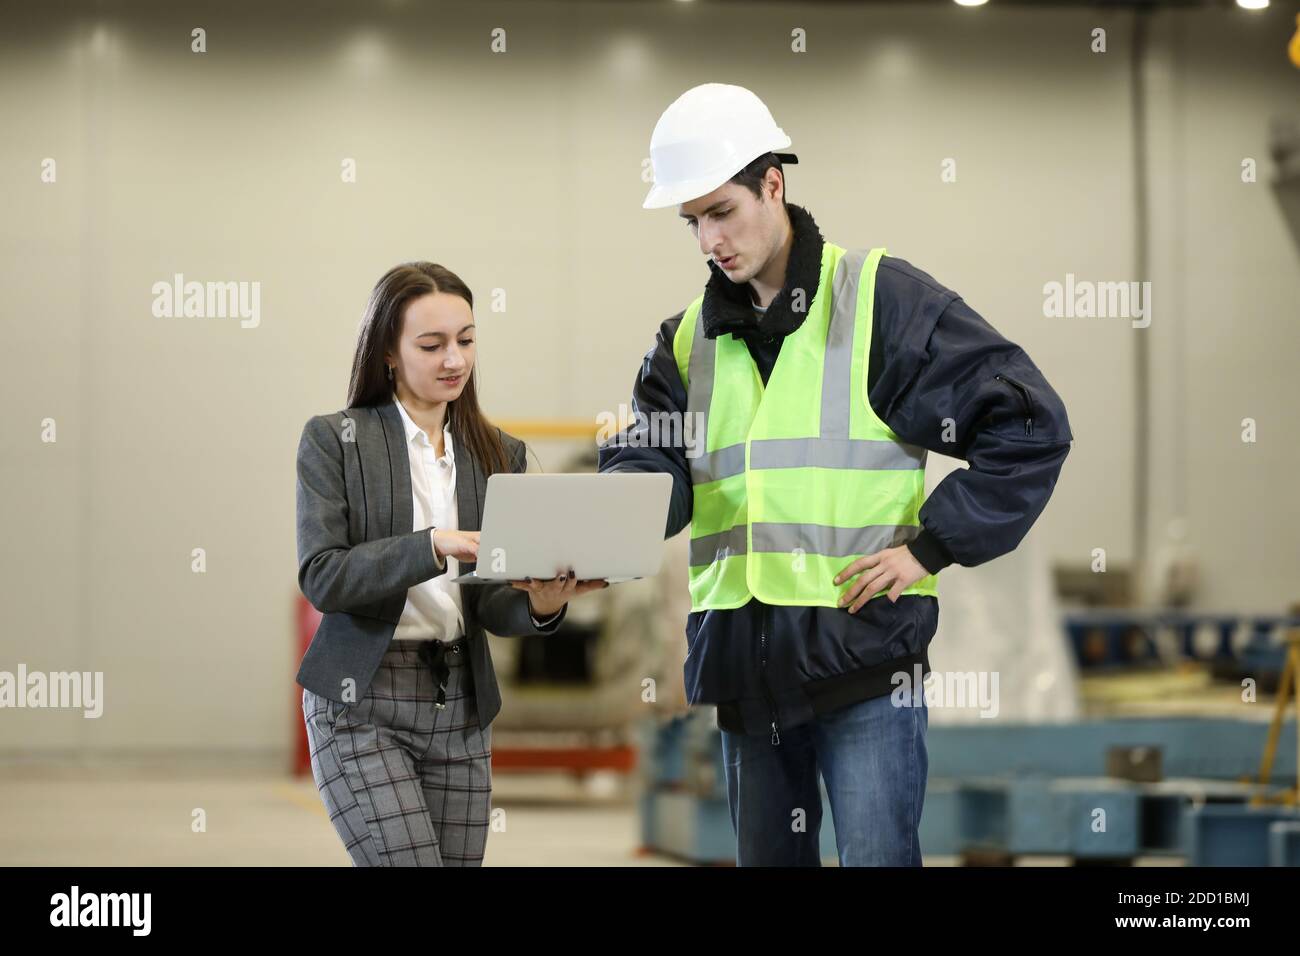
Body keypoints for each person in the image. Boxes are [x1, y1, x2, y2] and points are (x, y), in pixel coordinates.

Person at [599, 83, 1074, 866]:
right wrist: (595, 535)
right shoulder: (686, 342)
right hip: (746, 677)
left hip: (865, 667)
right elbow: (652, 464)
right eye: (692, 222)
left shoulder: (880, 300)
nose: (708, 240)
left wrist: (930, 548)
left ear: (773, 185)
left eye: (722, 211)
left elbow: (1028, 422)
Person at [295, 261, 604, 866]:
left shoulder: (498, 453)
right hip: (362, 701)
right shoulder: (334, 441)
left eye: (465, 340)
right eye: (432, 345)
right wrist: (432, 544)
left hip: (459, 701)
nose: (454, 359)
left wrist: (544, 601)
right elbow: (324, 576)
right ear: (388, 349)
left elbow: (490, 602)